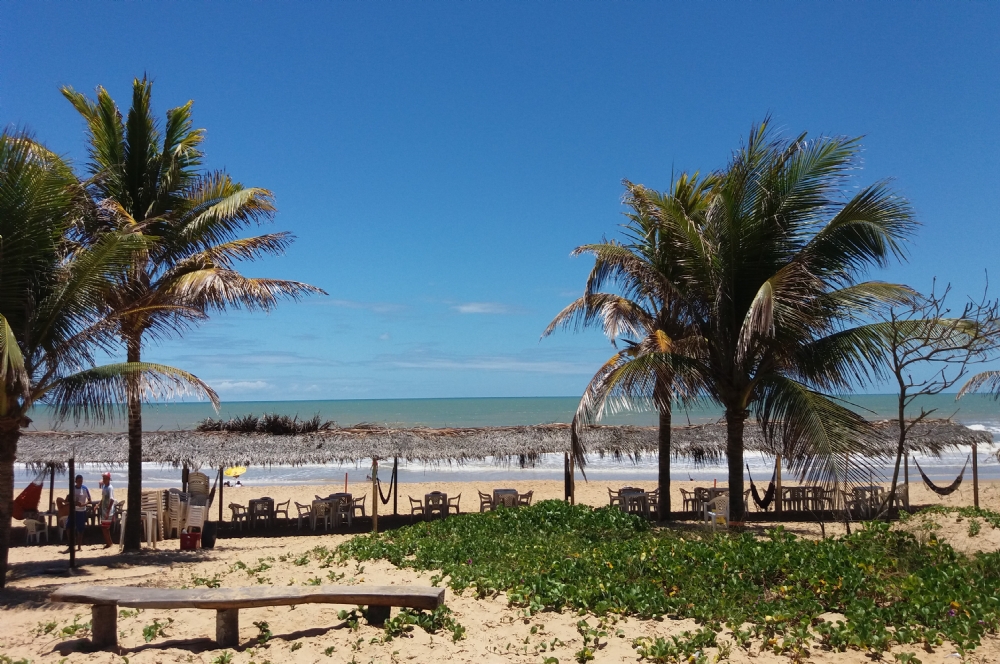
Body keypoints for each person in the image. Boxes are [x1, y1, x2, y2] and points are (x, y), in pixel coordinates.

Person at [66, 474, 91, 552]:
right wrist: (72, 501)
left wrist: (83, 504)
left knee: (80, 529)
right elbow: (68, 499)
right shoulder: (72, 488)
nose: (80, 482)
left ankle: (79, 546)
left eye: (81, 481)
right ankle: (71, 544)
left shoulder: (84, 488)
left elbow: (89, 500)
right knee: (68, 527)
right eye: (79, 481)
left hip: (81, 511)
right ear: (75, 481)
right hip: (73, 511)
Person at [98, 472, 115, 549]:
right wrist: (98, 504)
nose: (103, 480)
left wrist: (108, 510)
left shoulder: (110, 488)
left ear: (108, 479)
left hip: (108, 511)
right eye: (103, 478)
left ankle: (109, 543)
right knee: (105, 528)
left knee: (104, 528)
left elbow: (111, 499)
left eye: (105, 478)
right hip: (104, 510)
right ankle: (109, 543)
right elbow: (103, 498)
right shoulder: (104, 487)